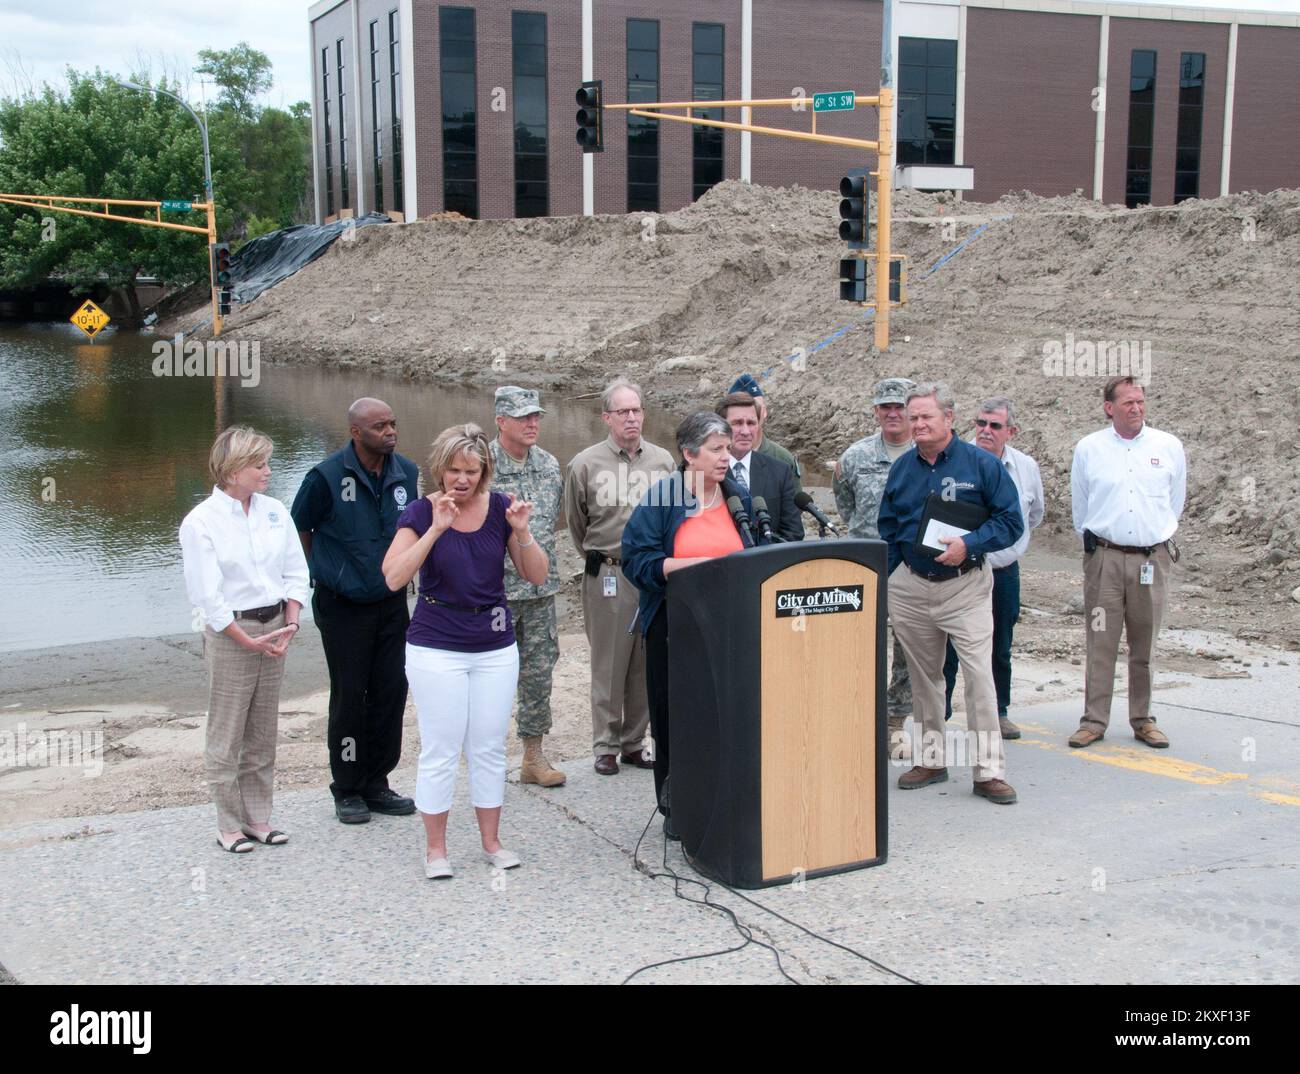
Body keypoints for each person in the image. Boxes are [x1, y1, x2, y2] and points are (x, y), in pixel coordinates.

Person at [382, 424, 547, 879]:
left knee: (489, 747)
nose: (461, 479)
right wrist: (435, 530)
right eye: (453, 470)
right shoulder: (420, 511)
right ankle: (436, 850)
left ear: (484, 471)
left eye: (471, 471)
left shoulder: (499, 509)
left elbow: (536, 575)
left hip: (494, 644)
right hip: (437, 644)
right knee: (441, 747)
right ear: (440, 470)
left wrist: (523, 532)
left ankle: (491, 842)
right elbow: (394, 577)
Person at [877, 383, 1024, 805]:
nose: (919, 424)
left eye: (927, 416)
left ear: (949, 419)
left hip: (965, 586)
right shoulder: (902, 469)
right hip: (911, 586)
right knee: (925, 681)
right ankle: (931, 760)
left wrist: (971, 543)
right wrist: (894, 576)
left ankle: (988, 771)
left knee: (979, 678)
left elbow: (1012, 522)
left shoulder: (981, 466)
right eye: (914, 417)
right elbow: (888, 526)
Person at [622, 411, 758, 839]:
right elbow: (636, 560)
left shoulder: (737, 497)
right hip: (673, 629)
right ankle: (677, 806)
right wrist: (692, 566)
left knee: (727, 715)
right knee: (676, 719)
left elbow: (757, 554)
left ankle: (727, 798)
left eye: (727, 448)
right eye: (716, 449)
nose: (726, 456)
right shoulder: (663, 499)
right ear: (688, 454)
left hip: (731, 629)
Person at [180, 425, 310, 853]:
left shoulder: (274, 510)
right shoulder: (201, 522)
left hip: (276, 625)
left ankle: (258, 817)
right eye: (259, 464)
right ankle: (228, 824)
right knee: (228, 729)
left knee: (262, 728)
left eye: (267, 462)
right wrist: (245, 639)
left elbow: (295, 570)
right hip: (232, 632)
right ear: (234, 470)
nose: (268, 471)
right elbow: (207, 595)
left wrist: (291, 621)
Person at [291, 398, 419, 825]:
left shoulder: (407, 473)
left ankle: (377, 781)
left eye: (393, 423)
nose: (390, 431)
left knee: (390, 691)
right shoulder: (325, 476)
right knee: (350, 696)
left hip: (391, 602)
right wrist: (324, 573)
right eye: (379, 425)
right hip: (343, 605)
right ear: (356, 432)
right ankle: (346, 787)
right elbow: (299, 530)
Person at [564, 377, 675, 775]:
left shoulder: (663, 462)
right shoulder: (585, 464)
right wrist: (603, 559)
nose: (631, 418)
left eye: (637, 410)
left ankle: (633, 742)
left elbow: (674, 518)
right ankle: (605, 744)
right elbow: (577, 525)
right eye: (623, 412)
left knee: (647, 660)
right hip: (609, 574)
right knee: (609, 662)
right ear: (606, 417)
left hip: (652, 575)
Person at [1068, 376, 1185, 750]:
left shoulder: (1168, 446)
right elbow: (1080, 508)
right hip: (1104, 559)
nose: (1136, 408)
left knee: (1144, 643)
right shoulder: (1090, 448)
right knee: (1101, 641)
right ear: (1109, 407)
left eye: (1140, 401)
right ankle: (1094, 720)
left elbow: (1174, 503)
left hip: (1151, 560)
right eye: (1127, 403)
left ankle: (1142, 718)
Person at [942, 397, 1045, 739]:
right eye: (981, 423)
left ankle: (999, 712)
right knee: (950, 645)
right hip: (960, 571)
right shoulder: (956, 460)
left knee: (1000, 642)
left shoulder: (1026, 467)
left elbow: (1033, 515)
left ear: (1011, 431)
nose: (986, 431)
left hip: (1003, 572)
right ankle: (939, 713)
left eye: (995, 426)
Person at [834, 376, 917, 760]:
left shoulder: (927, 453)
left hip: (913, 567)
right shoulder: (856, 457)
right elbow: (847, 507)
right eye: (886, 407)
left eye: (900, 406)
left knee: (908, 646)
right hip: (867, 563)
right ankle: (858, 715)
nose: (893, 413)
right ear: (876, 411)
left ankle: (896, 721)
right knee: (863, 643)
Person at [489, 386, 566, 788]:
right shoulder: (479, 463)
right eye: (522, 417)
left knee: (538, 675)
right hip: (492, 595)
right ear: (501, 421)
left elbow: (554, 522)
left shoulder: (550, 464)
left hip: (539, 593)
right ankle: (485, 761)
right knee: (488, 679)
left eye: (536, 416)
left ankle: (533, 757)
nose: (532, 423)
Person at [716, 391, 803, 542]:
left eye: (751, 423)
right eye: (737, 423)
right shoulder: (702, 472)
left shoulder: (780, 471)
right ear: (720, 427)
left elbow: (793, 534)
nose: (745, 431)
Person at [728, 373, 802, 493]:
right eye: (738, 419)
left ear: (765, 412)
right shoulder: (709, 459)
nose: (750, 413)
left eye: (756, 407)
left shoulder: (782, 459)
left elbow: (794, 507)